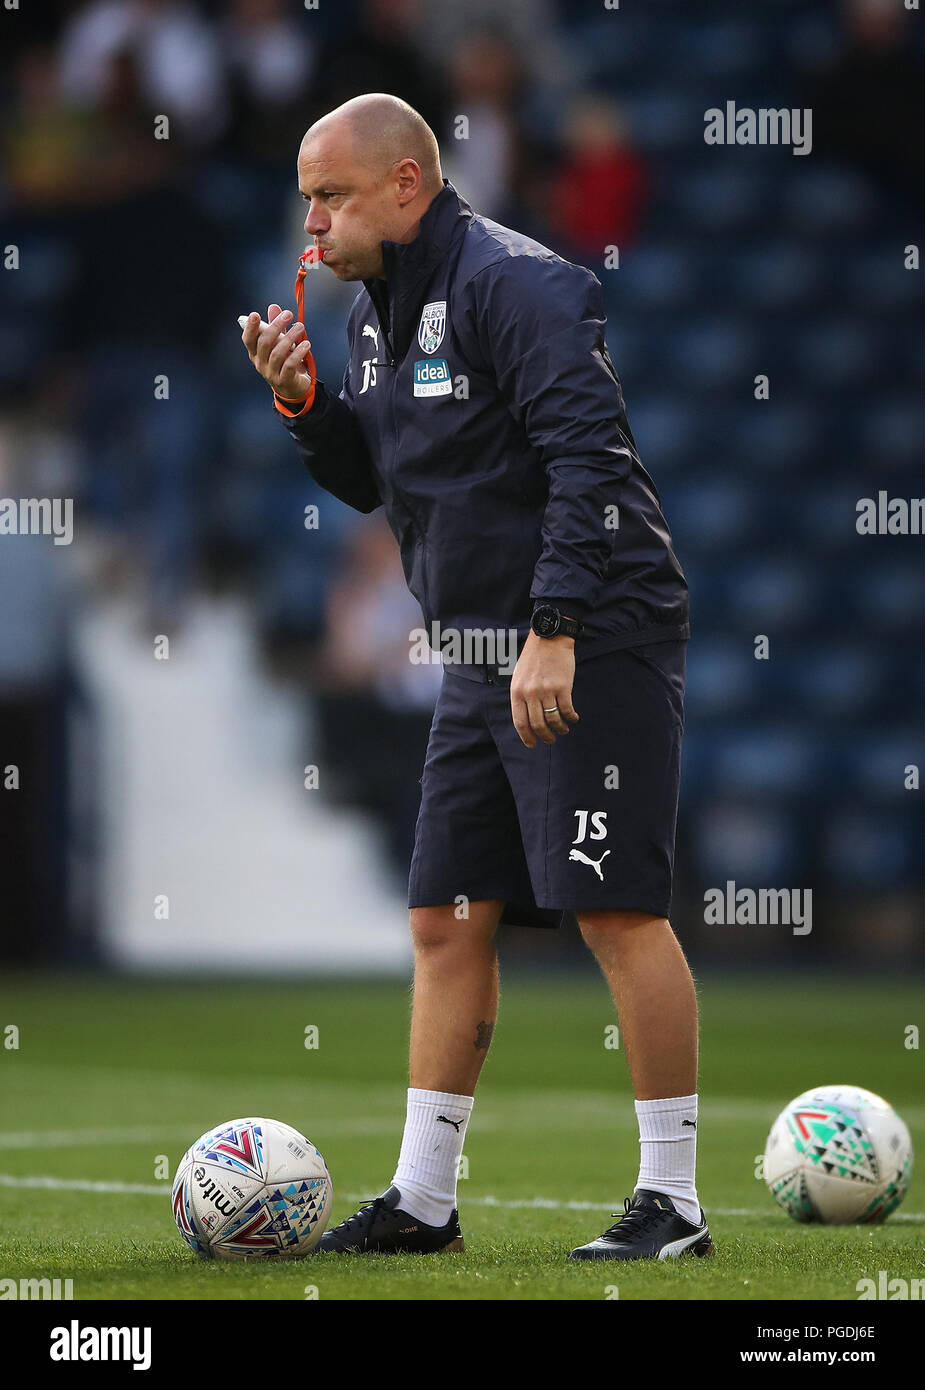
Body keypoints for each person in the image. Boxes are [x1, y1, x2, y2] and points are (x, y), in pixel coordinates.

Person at [241, 93, 710, 1263]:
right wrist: (305, 408)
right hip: (473, 651)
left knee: (615, 909)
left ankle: (675, 1203)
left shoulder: (519, 282)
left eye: (330, 194)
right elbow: (387, 484)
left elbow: (588, 460)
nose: (312, 221)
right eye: (306, 197)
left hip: (589, 634)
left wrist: (554, 625)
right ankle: (424, 1200)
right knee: (445, 919)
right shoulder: (368, 317)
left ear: (407, 187)